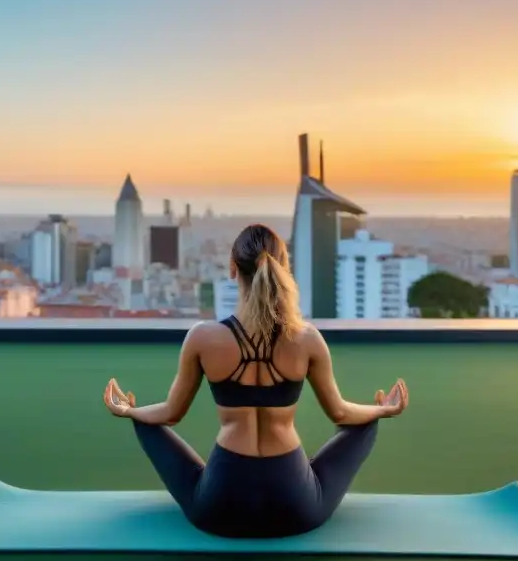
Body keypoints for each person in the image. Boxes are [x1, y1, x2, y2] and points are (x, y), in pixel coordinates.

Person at [103, 223, 409, 539]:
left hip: (219, 508)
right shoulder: (306, 339)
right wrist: (383, 410)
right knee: (367, 421)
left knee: (145, 421)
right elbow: (341, 414)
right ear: (284, 268)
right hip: (296, 508)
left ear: (233, 269)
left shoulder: (203, 338)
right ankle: (320, 463)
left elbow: (170, 414)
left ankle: (141, 423)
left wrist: (129, 411)